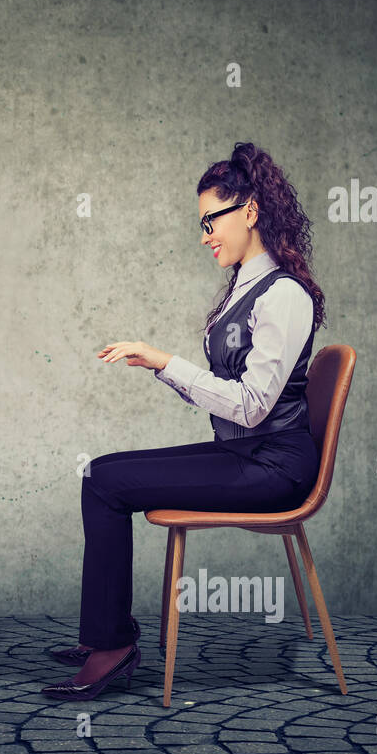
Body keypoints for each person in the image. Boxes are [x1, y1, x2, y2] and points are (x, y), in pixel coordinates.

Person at [42, 142, 328, 701]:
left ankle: (111, 647)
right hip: (244, 455)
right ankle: (108, 633)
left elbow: (250, 406)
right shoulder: (244, 288)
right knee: (101, 473)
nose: (204, 237)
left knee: (105, 484)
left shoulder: (285, 295)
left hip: (275, 468)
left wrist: (166, 362)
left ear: (249, 211)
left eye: (209, 221)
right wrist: (163, 368)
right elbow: (229, 399)